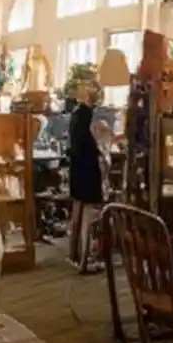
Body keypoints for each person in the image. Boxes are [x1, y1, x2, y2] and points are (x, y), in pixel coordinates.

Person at [67, 85, 104, 273]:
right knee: (88, 219)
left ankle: (74, 255)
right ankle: (84, 260)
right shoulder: (86, 117)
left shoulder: (75, 116)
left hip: (77, 172)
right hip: (88, 174)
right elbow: (91, 145)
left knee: (77, 215)